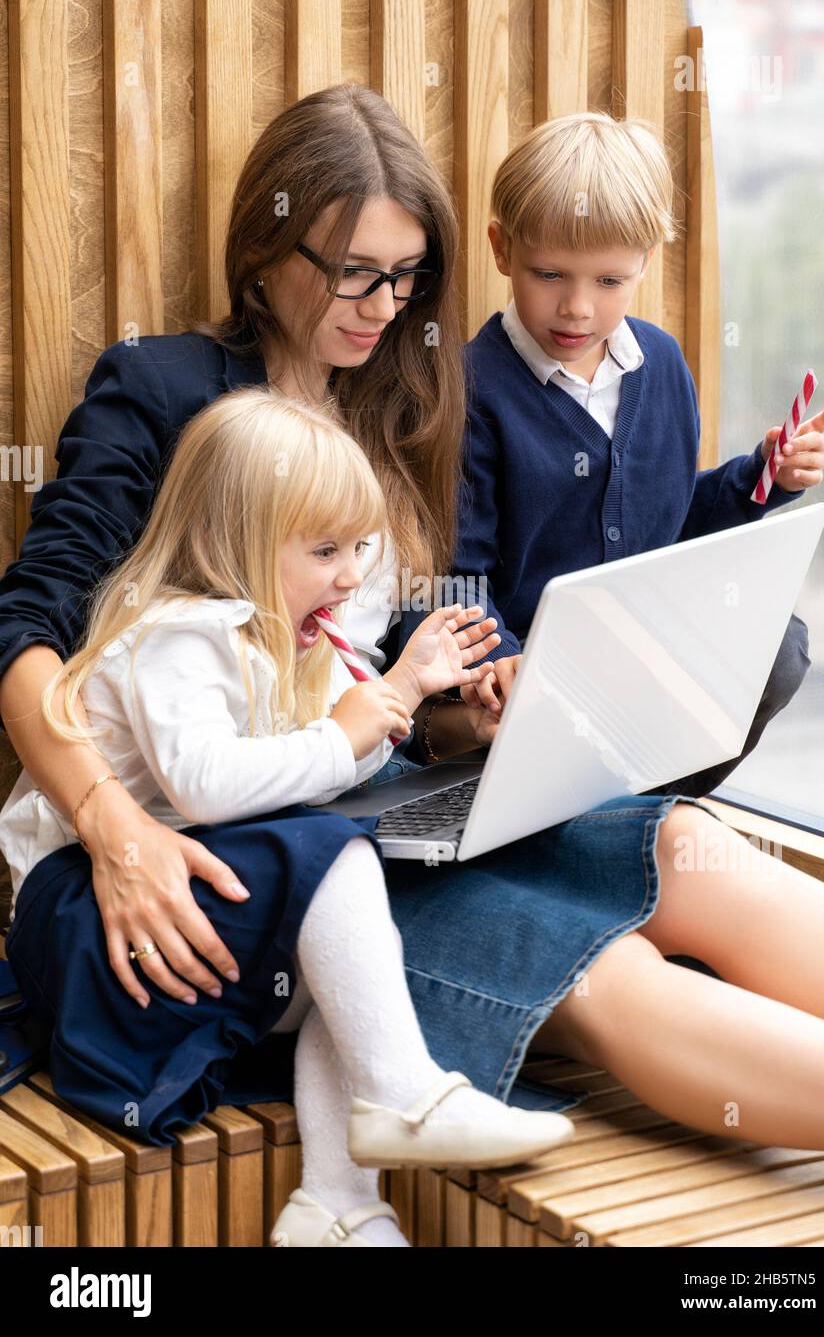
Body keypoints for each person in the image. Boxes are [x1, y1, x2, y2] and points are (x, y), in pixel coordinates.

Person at [1, 86, 824, 1251]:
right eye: (355, 272)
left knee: (674, 849)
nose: (384, 305)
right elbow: (28, 631)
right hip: (238, 851)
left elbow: (407, 665)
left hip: (378, 792)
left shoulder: (410, 405)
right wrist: (115, 830)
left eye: (406, 277)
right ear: (266, 244)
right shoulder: (164, 390)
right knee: (598, 969)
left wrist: (479, 712)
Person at [0, 388, 578, 1246]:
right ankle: (403, 1091)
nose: (350, 576)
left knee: (335, 981)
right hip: (90, 912)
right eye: (324, 550)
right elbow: (203, 786)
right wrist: (347, 730)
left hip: (185, 908)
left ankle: (338, 1205)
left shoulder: (300, 638)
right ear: (234, 541)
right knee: (332, 851)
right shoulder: (183, 635)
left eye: (359, 550)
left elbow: (351, 750)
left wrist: (401, 694)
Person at [447, 110, 824, 799]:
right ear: (502, 249)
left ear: (644, 265)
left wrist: (764, 479)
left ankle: (643, 810)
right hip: (534, 678)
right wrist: (501, 666)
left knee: (779, 645)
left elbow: (675, 517)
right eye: (549, 274)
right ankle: (594, 815)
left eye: (608, 282)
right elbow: (457, 576)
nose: (576, 308)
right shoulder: (474, 392)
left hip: (637, 655)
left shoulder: (658, 361)